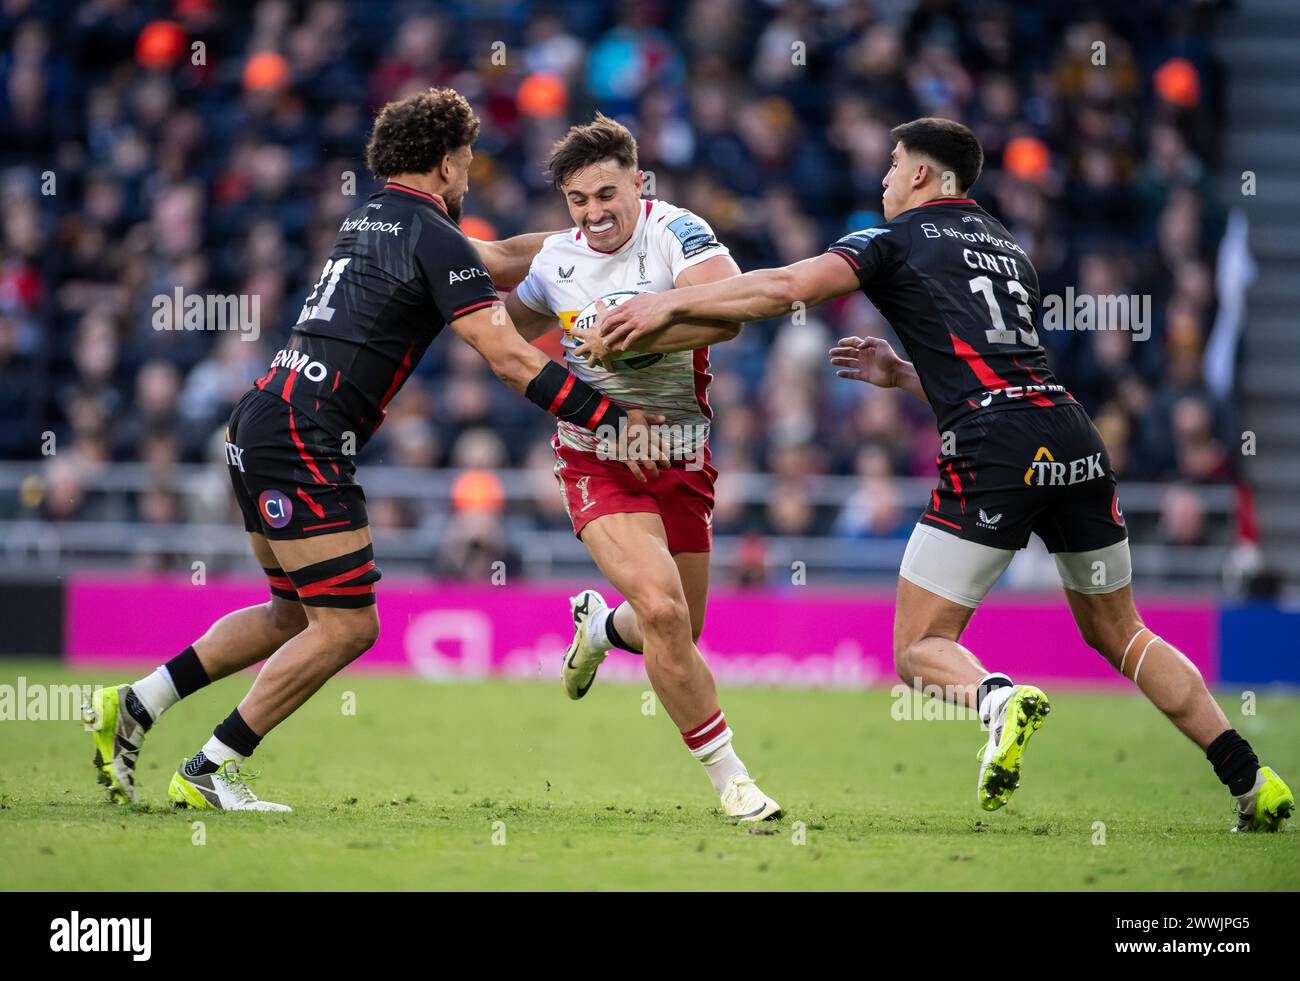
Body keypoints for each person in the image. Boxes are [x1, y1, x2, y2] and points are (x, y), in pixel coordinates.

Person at [598, 116, 1293, 831]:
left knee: (919, 646)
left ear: (924, 174)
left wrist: (669, 302)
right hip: (1070, 432)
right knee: (1123, 631)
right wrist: (904, 374)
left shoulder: (889, 239)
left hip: (994, 447)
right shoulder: (1006, 247)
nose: (884, 178)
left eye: (893, 165)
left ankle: (996, 699)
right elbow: (996, 370)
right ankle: (1252, 779)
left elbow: (783, 290)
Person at [84, 88, 666, 812]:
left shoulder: (373, 216)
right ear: (449, 162)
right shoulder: (434, 236)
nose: (470, 170)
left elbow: (502, 258)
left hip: (264, 416)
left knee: (290, 615)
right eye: (469, 159)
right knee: (350, 624)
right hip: (306, 434)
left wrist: (591, 237)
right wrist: (609, 417)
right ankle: (208, 767)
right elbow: (510, 357)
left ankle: (136, 703)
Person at [503, 113, 781, 821]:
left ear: (638, 182)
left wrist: (635, 331)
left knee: (682, 627)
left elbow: (730, 314)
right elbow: (505, 333)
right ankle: (734, 784)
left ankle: (597, 629)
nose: (593, 213)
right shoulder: (555, 263)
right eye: (577, 200)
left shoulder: (677, 231)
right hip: (598, 457)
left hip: (681, 456)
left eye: (605, 194)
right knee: (661, 608)